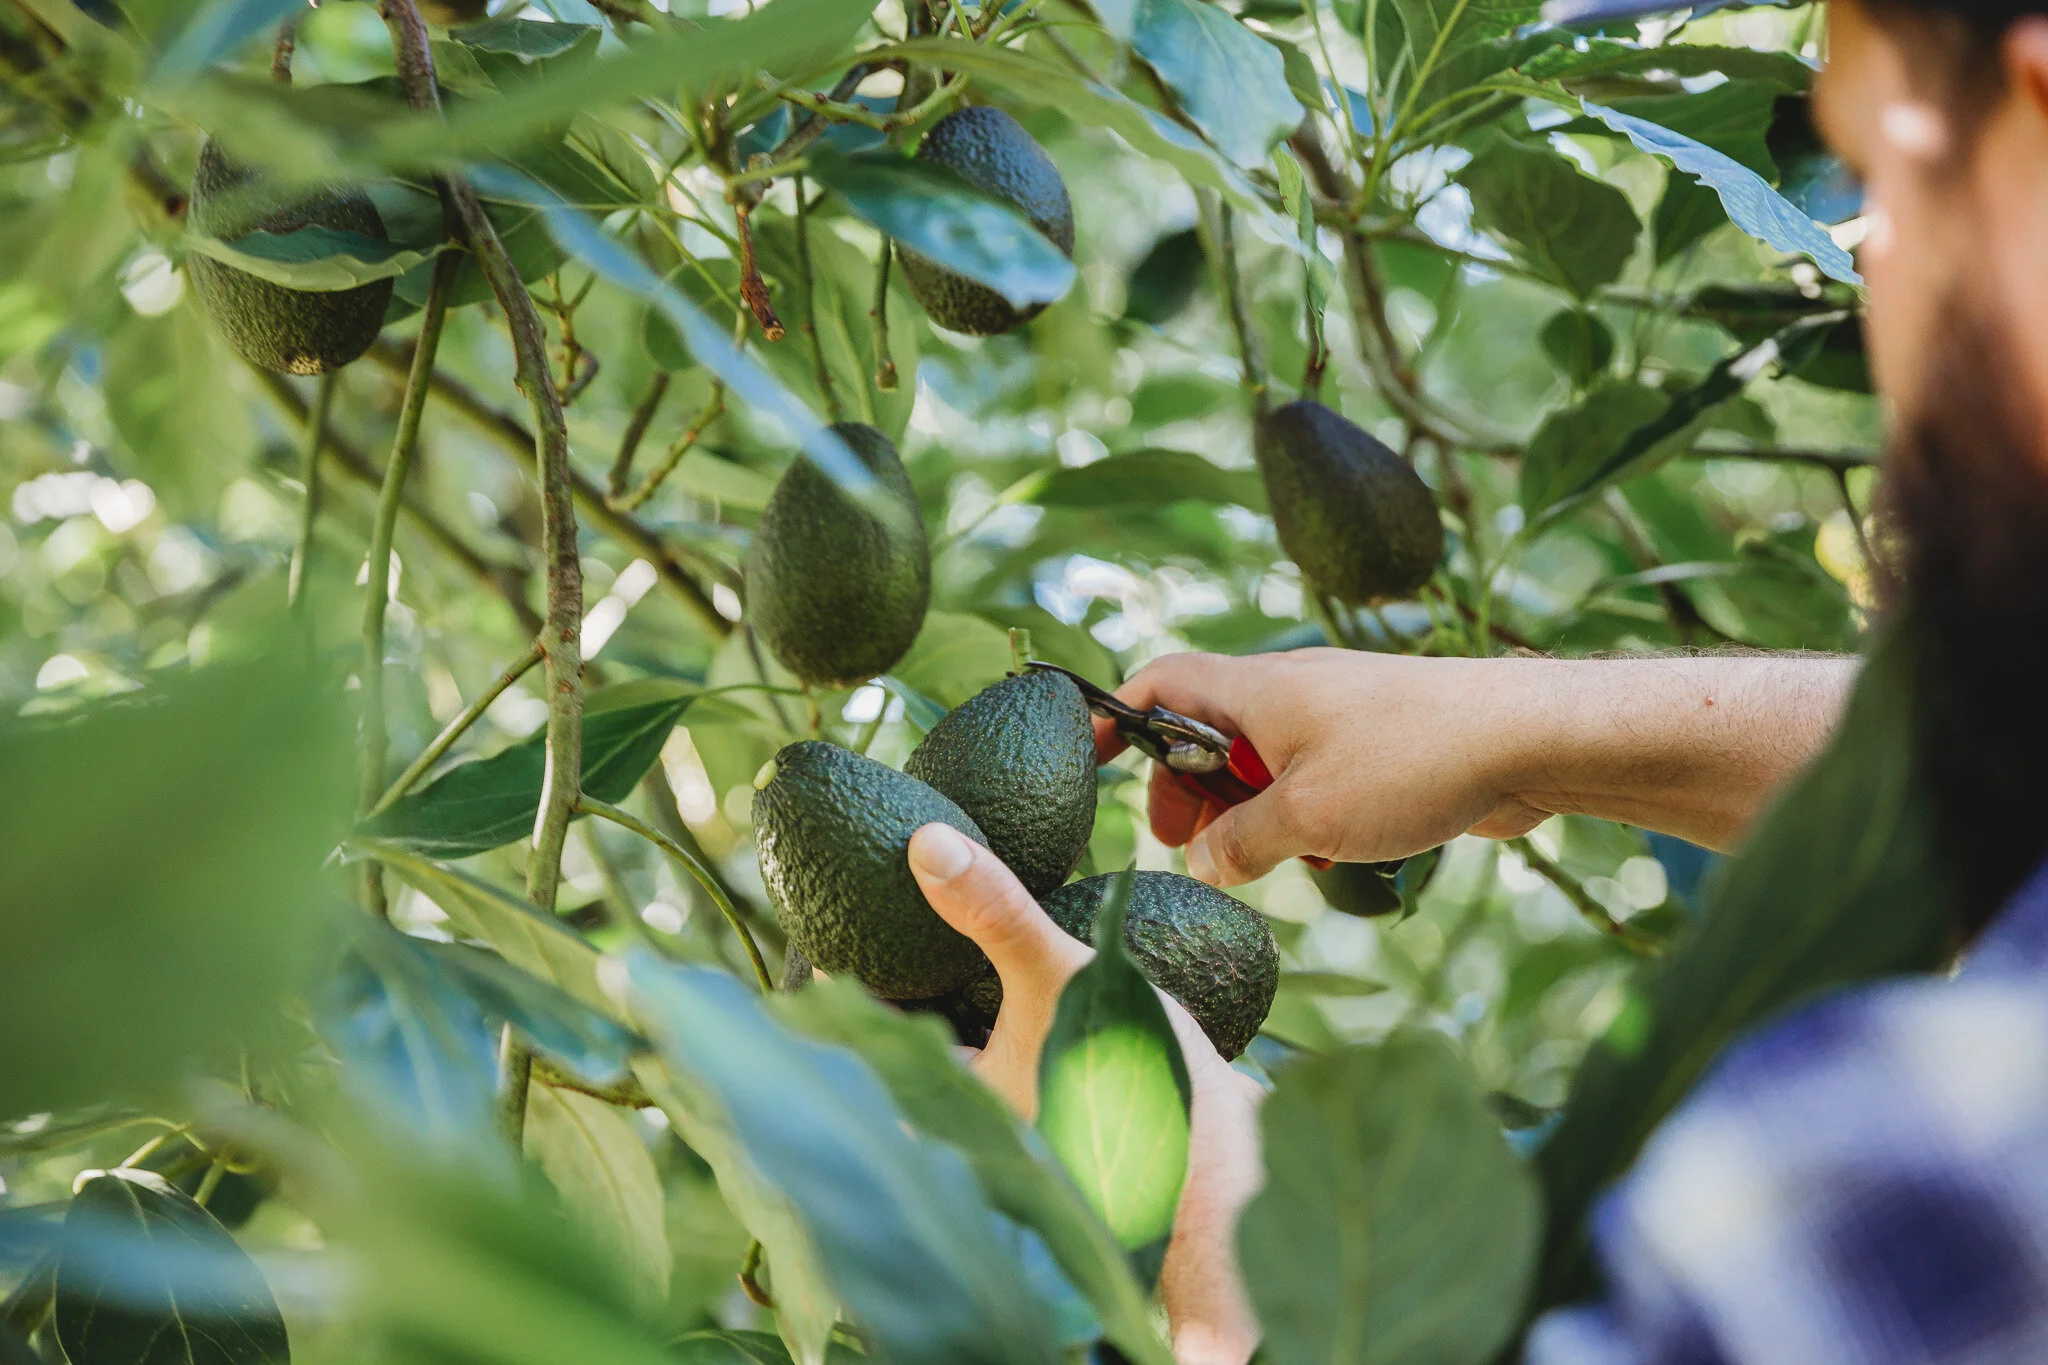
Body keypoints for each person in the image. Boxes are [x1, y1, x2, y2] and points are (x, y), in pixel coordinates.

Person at [902, 0, 2048, 1360]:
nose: (1872, 275)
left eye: (1874, 184)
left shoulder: (1967, 1142)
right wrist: (1522, 731)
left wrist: (1244, 1259)